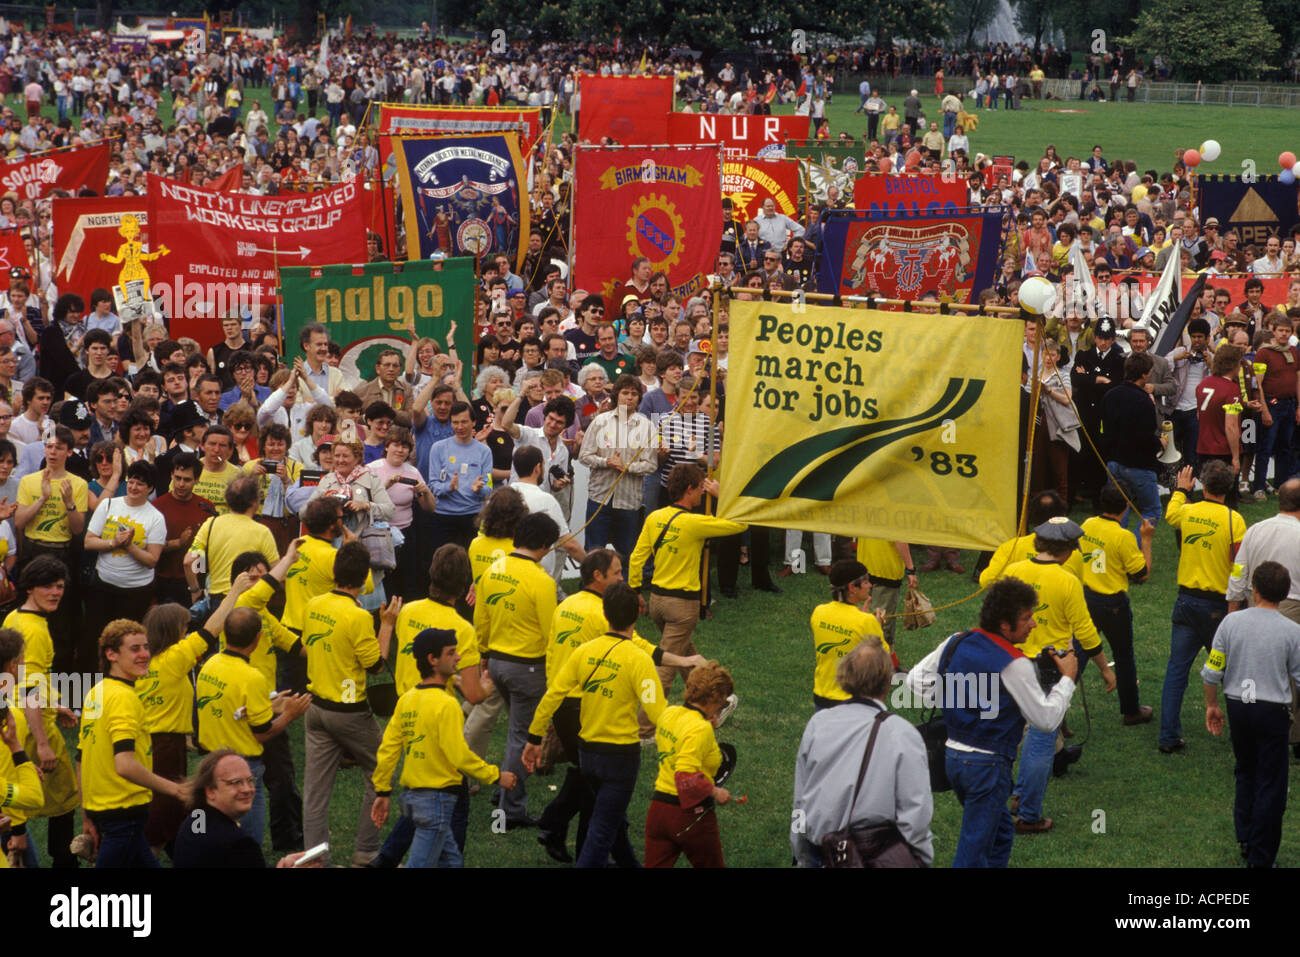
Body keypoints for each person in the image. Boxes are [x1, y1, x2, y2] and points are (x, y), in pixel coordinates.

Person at [535, 549, 705, 863]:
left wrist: (536, 733)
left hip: (564, 705)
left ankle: (579, 837)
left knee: (591, 784)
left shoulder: (567, 605)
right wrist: (685, 668)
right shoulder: (601, 614)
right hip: (587, 714)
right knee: (597, 794)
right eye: (616, 573)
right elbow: (639, 650)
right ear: (597, 576)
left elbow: (551, 651)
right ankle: (559, 827)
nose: (621, 578)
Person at [905, 578, 1077, 867]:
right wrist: (1068, 679)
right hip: (988, 767)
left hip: (953, 759)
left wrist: (958, 700)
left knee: (1000, 834)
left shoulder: (957, 640)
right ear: (1004, 625)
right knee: (973, 850)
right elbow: (1046, 720)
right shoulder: (1014, 664)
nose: (1033, 624)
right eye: (1026, 619)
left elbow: (914, 681)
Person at [522, 582, 666, 868]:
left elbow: (553, 695)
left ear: (605, 613)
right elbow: (657, 712)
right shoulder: (640, 660)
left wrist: (534, 738)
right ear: (636, 616)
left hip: (587, 754)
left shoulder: (583, 652)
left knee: (613, 819)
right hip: (620, 758)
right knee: (601, 832)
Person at [1000, 517, 1117, 832]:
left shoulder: (1014, 572)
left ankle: (1010, 797)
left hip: (1010, 663)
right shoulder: (1067, 581)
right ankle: (1027, 813)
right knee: (1040, 740)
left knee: (1008, 736)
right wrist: (1105, 668)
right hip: (1050, 667)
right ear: (1066, 551)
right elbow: (1086, 632)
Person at [371, 628, 516, 868]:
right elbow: (459, 756)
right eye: (451, 653)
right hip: (436, 803)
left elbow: (388, 750)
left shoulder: (406, 699)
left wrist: (382, 792)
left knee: (451, 862)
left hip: (411, 800)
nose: (458, 657)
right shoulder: (447, 705)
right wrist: (496, 776)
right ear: (433, 660)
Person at [300, 542, 401, 867]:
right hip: (350, 712)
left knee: (315, 792)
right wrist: (386, 625)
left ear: (334, 572)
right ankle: (366, 851)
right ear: (364, 578)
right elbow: (374, 665)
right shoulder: (358, 616)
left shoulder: (314, 604)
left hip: (316, 710)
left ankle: (316, 861)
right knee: (380, 773)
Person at [791, 638, 934, 867]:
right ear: (888, 682)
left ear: (845, 674)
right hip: (872, 856)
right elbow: (915, 814)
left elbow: (800, 800)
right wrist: (920, 858)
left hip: (821, 851)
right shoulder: (902, 734)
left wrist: (800, 853)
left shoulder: (819, 723)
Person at [628, 463, 746, 741]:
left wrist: (635, 591)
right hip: (683, 607)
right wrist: (722, 496)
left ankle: (719, 700)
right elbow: (740, 524)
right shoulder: (694, 522)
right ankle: (645, 732)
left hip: (657, 601)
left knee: (684, 655)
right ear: (690, 489)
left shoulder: (654, 517)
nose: (702, 495)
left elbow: (635, 558)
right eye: (701, 488)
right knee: (664, 670)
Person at [196, 574, 312, 851]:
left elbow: (231, 708)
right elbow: (262, 734)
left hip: (213, 762)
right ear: (259, 639)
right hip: (244, 767)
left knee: (216, 839)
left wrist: (270, 706)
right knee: (247, 844)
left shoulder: (209, 666)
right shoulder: (253, 677)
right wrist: (289, 715)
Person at [1203, 561, 1300, 868]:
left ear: (1254, 589)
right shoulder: (1292, 631)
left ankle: (1244, 836)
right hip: (1272, 712)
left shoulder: (1231, 623)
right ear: (1285, 594)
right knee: (1271, 783)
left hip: (1237, 707)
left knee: (1245, 771)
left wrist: (1212, 705)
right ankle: (1261, 856)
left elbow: (1212, 670)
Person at [138, 588, 246, 853]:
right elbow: (213, 628)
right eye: (184, 627)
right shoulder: (175, 658)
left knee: (162, 804)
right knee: (167, 807)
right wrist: (235, 592)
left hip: (145, 744)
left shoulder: (143, 663)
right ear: (172, 630)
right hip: (166, 745)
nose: (187, 633)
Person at [77, 619, 187, 868]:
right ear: (111, 654)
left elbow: (82, 757)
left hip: (105, 811)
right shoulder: (124, 699)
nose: (145, 654)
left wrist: (87, 813)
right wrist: (176, 790)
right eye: (135, 649)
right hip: (123, 813)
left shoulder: (97, 691)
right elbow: (125, 765)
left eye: (146, 647)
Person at [475, 512, 560, 829]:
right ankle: (509, 809)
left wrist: (485, 653)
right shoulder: (541, 580)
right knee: (521, 738)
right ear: (542, 545)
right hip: (528, 668)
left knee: (515, 731)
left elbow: (481, 619)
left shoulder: (492, 570)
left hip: (497, 663)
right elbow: (552, 631)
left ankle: (504, 791)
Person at [1160, 462, 1246, 753]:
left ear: (1202, 485)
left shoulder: (1189, 510)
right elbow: (1239, 566)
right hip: (1217, 607)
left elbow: (1171, 514)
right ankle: (1241, 734)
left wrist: (1181, 491)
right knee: (1230, 672)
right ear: (1230, 487)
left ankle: (1168, 736)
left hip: (1185, 600)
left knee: (1176, 671)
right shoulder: (1235, 520)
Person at [6, 556, 80, 868]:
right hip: (33, 728)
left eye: (60, 586)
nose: (55, 592)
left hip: (14, 718)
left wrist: (57, 703)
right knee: (64, 800)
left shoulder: (15, 618)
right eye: (47, 586)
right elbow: (28, 690)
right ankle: (64, 860)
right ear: (30, 588)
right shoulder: (34, 632)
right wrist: (45, 742)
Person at [644, 661, 736, 868]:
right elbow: (685, 775)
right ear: (715, 698)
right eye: (722, 703)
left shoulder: (669, 714)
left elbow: (679, 740)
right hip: (690, 815)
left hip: (658, 811)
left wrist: (705, 724)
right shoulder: (699, 729)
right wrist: (715, 792)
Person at [1080, 482, 1155, 725]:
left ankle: (1056, 710)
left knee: (1078, 654)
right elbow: (1142, 574)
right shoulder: (1123, 536)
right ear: (1125, 508)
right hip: (1114, 604)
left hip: (1088, 599)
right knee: (1123, 657)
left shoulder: (1087, 524)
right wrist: (1146, 540)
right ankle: (1131, 711)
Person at [172, 749, 317, 868]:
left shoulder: (195, 819)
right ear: (210, 791)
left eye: (250, 780)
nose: (247, 789)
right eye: (235, 782)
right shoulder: (240, 844)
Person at [578, 374, 657, 559]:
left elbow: (651, 465)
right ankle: (590, 587)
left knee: (627, 552)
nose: (630, 397)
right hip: (600, 498)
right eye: (625, 393)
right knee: (594, 550)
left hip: (629, 501)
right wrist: (606, 462)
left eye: (634, 394)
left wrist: (626, 466)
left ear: (639, 398)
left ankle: (625, 587)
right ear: (616, 395)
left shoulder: (646, 426)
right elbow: (584, 456)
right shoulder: (600, 421)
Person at [83, 460, 166, 634]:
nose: (134, 487)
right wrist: (114, 542)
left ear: (150, 489)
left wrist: (130, 547)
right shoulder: (108, 505)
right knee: (95, 634)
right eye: (131, 482)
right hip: (103, 585)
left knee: (126, 638)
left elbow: (152, 560)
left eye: (140, 484)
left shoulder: (156, 518)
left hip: (136, 591)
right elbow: (89, 542)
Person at [185, 475, 280, 606]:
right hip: (248, 599)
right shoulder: (262, 532)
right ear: (255, 502)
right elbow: (276, 572)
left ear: (228, 499)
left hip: (216, 599)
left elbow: (189, 561)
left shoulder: (210, 524)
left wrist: (195, 590)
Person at [810, 560, 891, 710]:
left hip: (821, 697)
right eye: (866, 581)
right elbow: (884, 657)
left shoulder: (819, 612)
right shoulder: (866, 621)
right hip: (852, 701)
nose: (870, 585)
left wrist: (861, 617)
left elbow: (845, 625)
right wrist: (876, 625)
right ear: (852, 587)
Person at [1100, 352, 1164, 542]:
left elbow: (1104, 429)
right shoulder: (1143, 400)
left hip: (1114, 463)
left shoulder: (1110, 395)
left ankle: (1115, 548)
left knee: (1118, 511)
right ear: (1144, 375)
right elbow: (1144, 437)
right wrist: (1159, 443)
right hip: (1139, 466)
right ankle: (1134, 550)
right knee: (1152, 510)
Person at [427, 401, 493, 551]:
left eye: (464, 422)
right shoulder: (438, 448)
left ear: (474, 422)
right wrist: (448, 487)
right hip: (443, 516)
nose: (460, 427)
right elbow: (433, 484)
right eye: (455, 422)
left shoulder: (484, 451)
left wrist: (479, 489)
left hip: (472, 516)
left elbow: (489, 487)